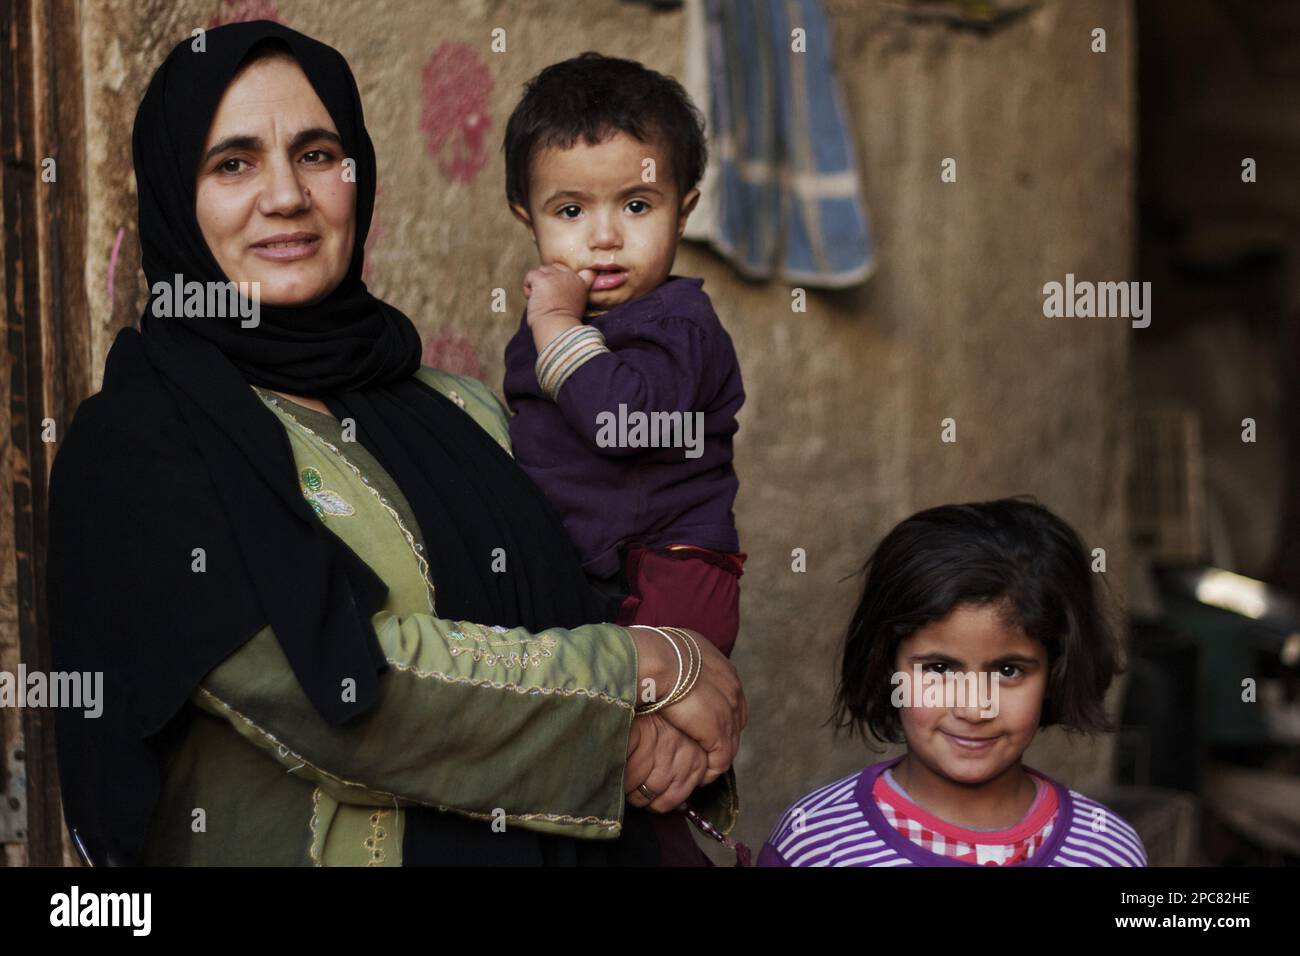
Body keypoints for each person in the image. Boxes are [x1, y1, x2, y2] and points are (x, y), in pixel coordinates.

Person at [45, 20, 744, 867]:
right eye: (232, 163)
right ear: (173, 194)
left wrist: (667, 720)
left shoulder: (458, 409)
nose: (286, 196)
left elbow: (591, 581)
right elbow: (344, 698)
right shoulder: (135, 445)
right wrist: (644, 670)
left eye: (315, 153)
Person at [499, 55, 747, 864]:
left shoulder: (678, 325)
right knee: (609, 766)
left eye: (637, 204)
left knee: (654, 772)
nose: (604, 237)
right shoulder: (559, 329)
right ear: (525, 215)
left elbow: (622, 426)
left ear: (684, 210)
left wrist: (557, 329)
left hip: (672, 571)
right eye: (570, 209)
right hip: (604, 573)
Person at [759, 498, 1147, 867]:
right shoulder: (817, 842)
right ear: (886, 667)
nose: (974, 708)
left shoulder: (1105, 849)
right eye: (940, 670)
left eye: (1008, 671)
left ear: (1056, 673)